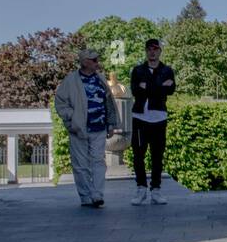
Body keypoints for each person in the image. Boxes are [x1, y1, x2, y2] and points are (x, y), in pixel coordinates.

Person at [55, 48, 120, 209]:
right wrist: (73, 120)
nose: (97, 63)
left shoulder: (100, 79)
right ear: (84, 62)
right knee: (80, 165)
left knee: (98, 162)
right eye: (94, 60)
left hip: (98, 128)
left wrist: (111, 123)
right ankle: (86, 196)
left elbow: (109, 102)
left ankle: (97, 195)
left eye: (97, 59)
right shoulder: (71, 80)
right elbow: (60, 103)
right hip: (79, 129)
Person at [130, 38, 176, 205]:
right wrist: (159, 86)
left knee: (157, 156)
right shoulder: (137, 70)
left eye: (155, 49)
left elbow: (170, 90)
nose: (152, 52)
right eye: (149, 49)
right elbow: (136, 90)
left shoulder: (167, 70)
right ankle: (141, 188)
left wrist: (148, 87)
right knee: (138, 155)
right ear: (146, 51)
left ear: (160, 51)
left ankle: (156, 189)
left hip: (159, 118)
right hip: (140, 118)